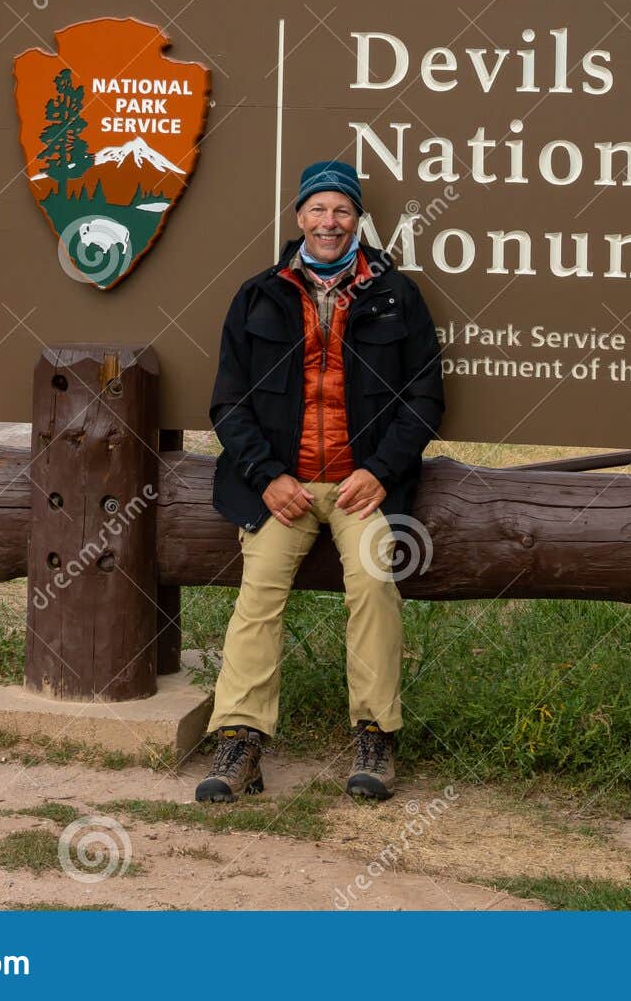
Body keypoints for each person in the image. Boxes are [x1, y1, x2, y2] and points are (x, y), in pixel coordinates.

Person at [199, 160, 443, 802]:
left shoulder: (399, 296)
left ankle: (374, 736)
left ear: (358, 219)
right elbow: (229, 403)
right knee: (257, 596)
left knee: (373, 585)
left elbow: (425, 398)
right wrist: (267, 476)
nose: (329, 223)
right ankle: (239, 745)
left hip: (362, 487)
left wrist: (381, 470)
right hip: (283, 490)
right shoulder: (259, 295)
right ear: (299, 217)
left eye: (342, 210)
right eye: (318, 210)